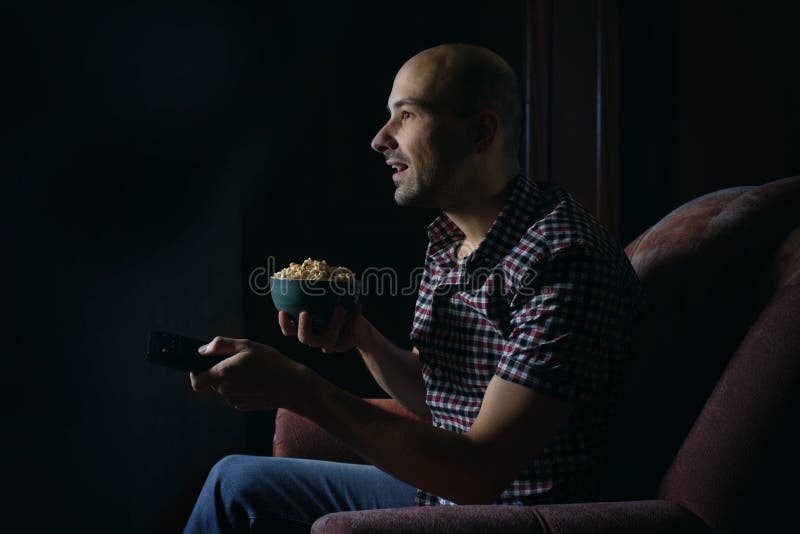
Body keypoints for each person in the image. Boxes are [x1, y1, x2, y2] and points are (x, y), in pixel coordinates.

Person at [184, 43, 644, 532]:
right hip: (450, 496)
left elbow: (479, 474)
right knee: (233, 481)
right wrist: (361, 336)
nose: (380, 139)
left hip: (516, 514)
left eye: (407, 115)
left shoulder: (563, 260)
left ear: (481, 131)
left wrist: (301, 388)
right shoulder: (452, 239)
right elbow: (444, 398)